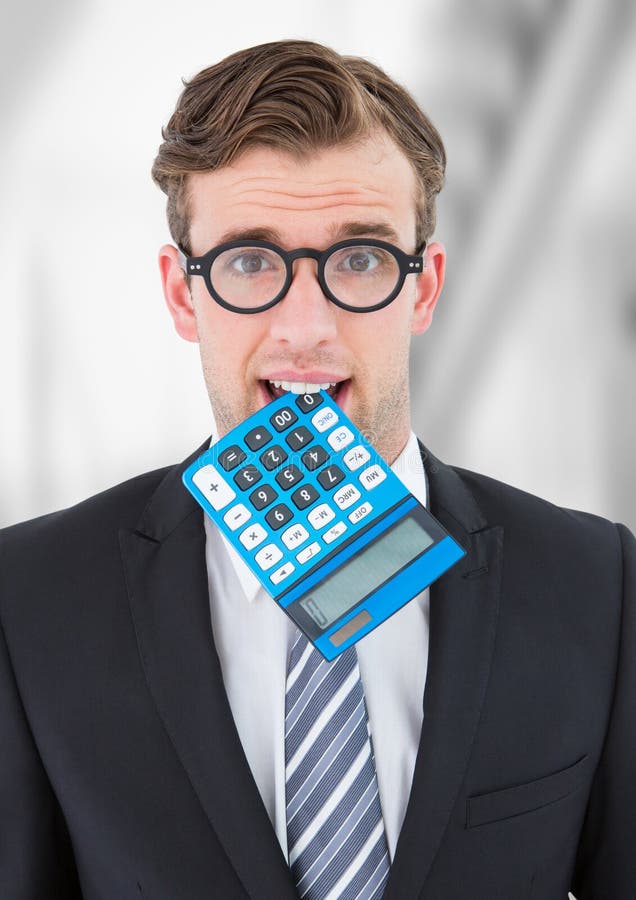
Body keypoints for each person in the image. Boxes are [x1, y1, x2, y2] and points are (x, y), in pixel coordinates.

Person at [0, 38, 634, 900]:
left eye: (362, 258)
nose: (307, 326)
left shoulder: (597, 586)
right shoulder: (30, 599)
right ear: (185, 294)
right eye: (250, 261)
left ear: (424, 287)